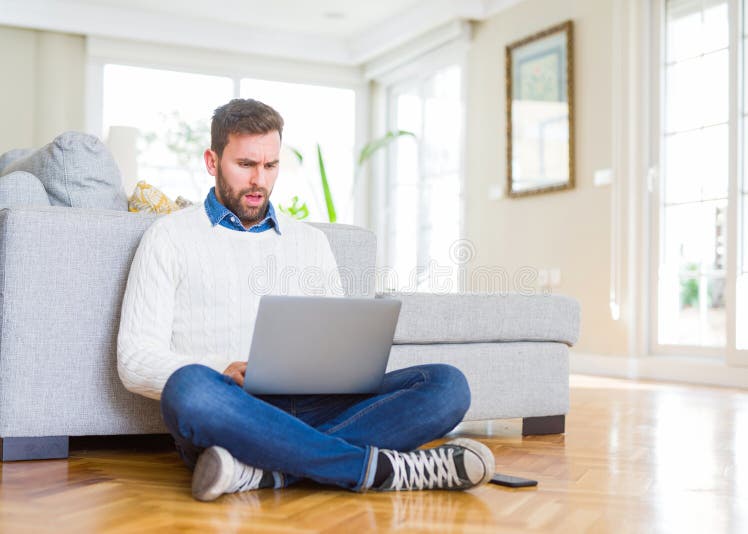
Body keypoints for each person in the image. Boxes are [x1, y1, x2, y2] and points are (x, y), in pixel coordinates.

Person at [117, 98, 495, 501]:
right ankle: (376, 469)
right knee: (188, 388)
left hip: (315, 405)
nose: (259, 180)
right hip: (233, 410)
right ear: (212, 162)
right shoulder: (168, 238)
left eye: (270, 165)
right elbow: (135, 360)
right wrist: (221, 369)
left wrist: (340, 367)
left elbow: (338, 340)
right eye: (245, 164)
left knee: (446, 385)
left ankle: (264, 473)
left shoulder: (310, 242)